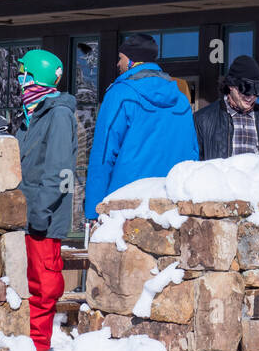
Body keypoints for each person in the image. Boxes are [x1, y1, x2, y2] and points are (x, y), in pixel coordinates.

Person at [82, 33, 198, 220]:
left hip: (126, 204)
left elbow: (103, 154)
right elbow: (192, 153)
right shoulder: (181, 100)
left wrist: (93, 209)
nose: (117, 64)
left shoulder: (120, 94)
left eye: (120, 58)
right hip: (170, 204)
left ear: (131, 60)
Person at [15, 48, 77, 351]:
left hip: (43, 218)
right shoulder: (30, 117)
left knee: (44, 284)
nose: (20, 80)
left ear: (37, 76)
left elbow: (60, 168)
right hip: (23, 217)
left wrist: (41, 210)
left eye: (25, 74)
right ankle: (25, 344)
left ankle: (38, 348)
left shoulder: (58, 115)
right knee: (25, 284)